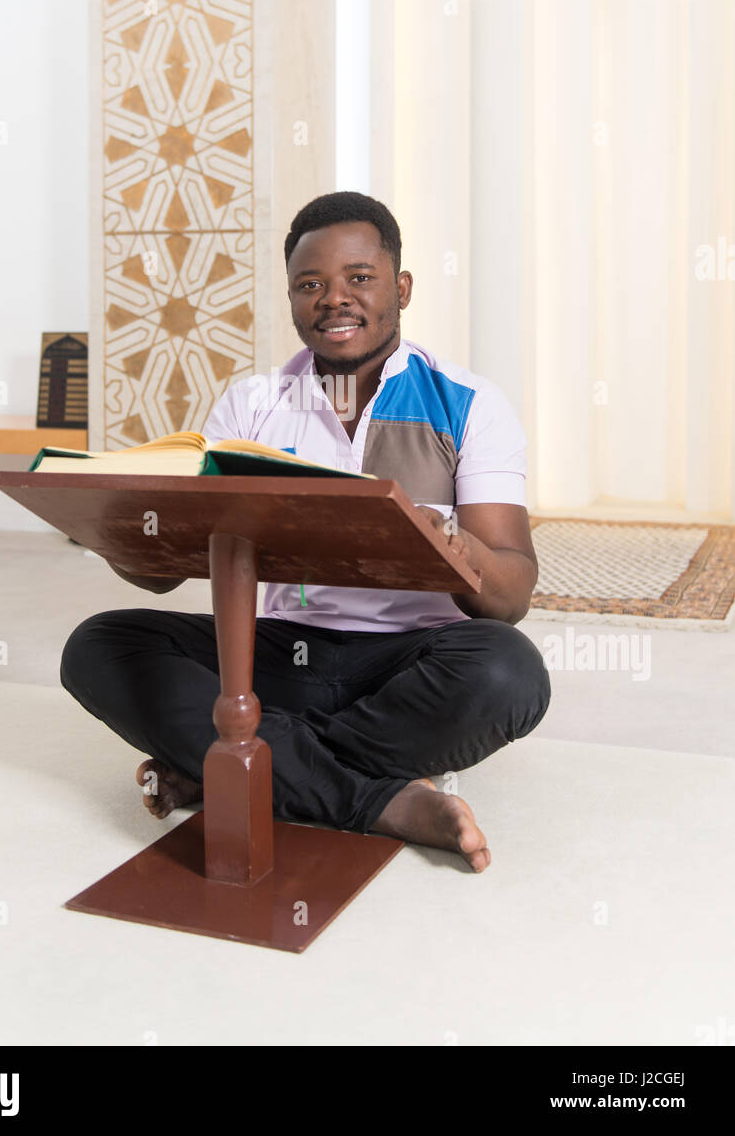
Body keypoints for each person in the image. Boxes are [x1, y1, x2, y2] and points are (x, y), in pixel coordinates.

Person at [60, 191, 550, 873]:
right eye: (309, 284)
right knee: (99, 646)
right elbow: (165, 572)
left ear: (401, 289)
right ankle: (378, 800)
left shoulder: (469, 404)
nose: (332, 298)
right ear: (291, 298)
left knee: (508, 670)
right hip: (275, 659)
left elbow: (511, 593)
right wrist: (121, 533)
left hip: (409, 667)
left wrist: (455, 550)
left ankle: (236, 765)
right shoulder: (250, 405)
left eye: (359, 278)